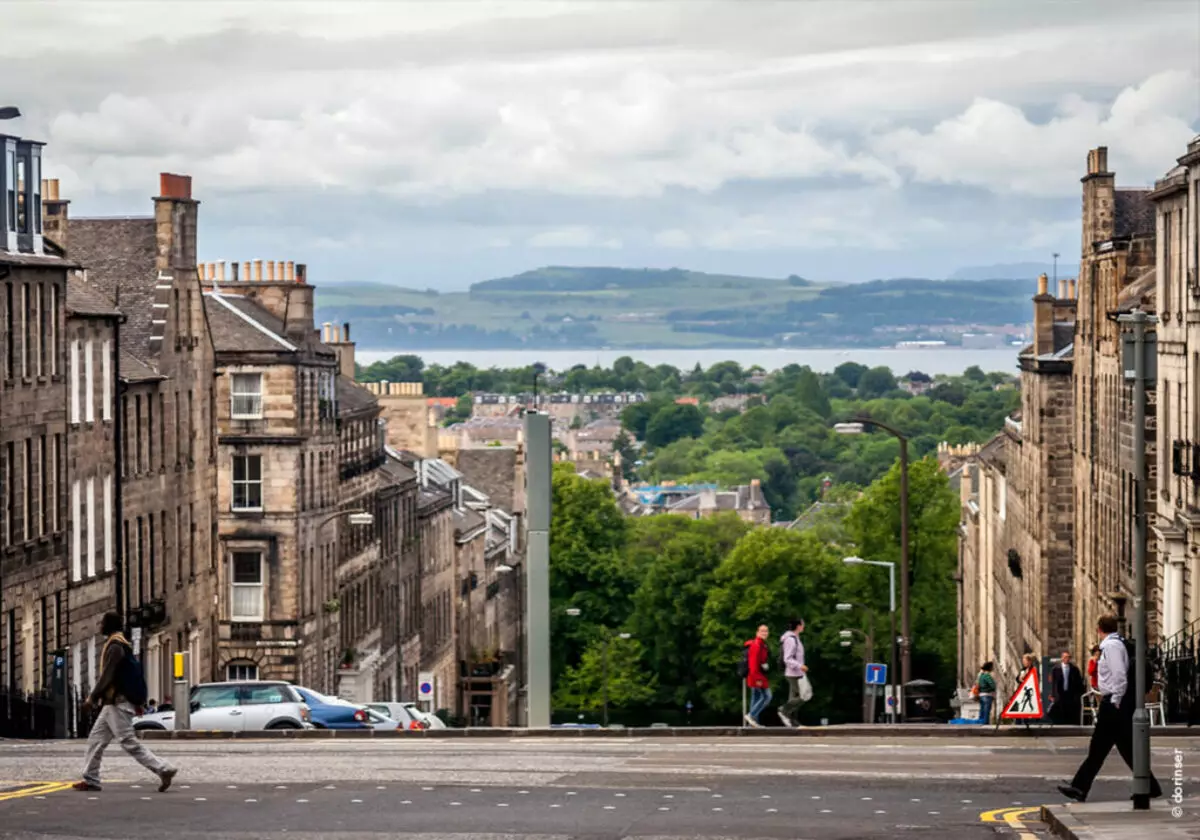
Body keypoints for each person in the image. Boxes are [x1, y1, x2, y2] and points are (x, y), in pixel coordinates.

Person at [1058, 615, 1163, 803]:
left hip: (1115, 703)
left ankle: (1079, 787)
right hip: (1117, 702)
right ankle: (1150, 787)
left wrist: (1115, 700)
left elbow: (1119, 675)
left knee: (1099, 747)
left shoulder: (1111, 646)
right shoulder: (1115, 643)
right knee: (1123, 748)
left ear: (1099, 629)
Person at [73, 612, 177, 793]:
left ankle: (163, 769)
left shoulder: (115, 646)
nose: (99, 626)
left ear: (109, 625)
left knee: (128, 741)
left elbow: (108, 675)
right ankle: (91, 779)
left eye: (102, 623)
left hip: (118, 703)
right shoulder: (120, 644)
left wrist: (92, 697)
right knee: (96, 740)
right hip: (112, 704)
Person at [778, 619, 809, 728]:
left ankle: (791, 721)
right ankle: (783, 710)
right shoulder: (791, 639)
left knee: (793, 699)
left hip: (797, 673)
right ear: (798, 626)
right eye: (803, 625)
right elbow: (787, 658)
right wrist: (800, 666)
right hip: (793, 673)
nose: (804, 627)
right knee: (804, 696)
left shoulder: (795, 638)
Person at [743, 624, 771, 728]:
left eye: (766, 631)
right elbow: (753, 663)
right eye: (762, 631)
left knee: (756, 698)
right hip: (756, 676)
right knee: (767, 696)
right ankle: (751, 715)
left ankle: (753, 723)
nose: (764, 633)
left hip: (756, 675)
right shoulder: (756, 645)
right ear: (757, 632)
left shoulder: (762, 644)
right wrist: (758, 678)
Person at [1050, 651, 1085, 725]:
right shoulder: (1056, 669)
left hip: (1070, 693)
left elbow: (1078, 682)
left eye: (1068, 657)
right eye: (1065, 657)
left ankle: (1069, 723)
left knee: (1069, 708)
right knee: (1059, 708)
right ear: (1062, 658)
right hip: (1060, 692)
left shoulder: (1074, 669)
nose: (1067, 659)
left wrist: (1078, 693)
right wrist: (1053, 694)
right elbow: (1053, 683)